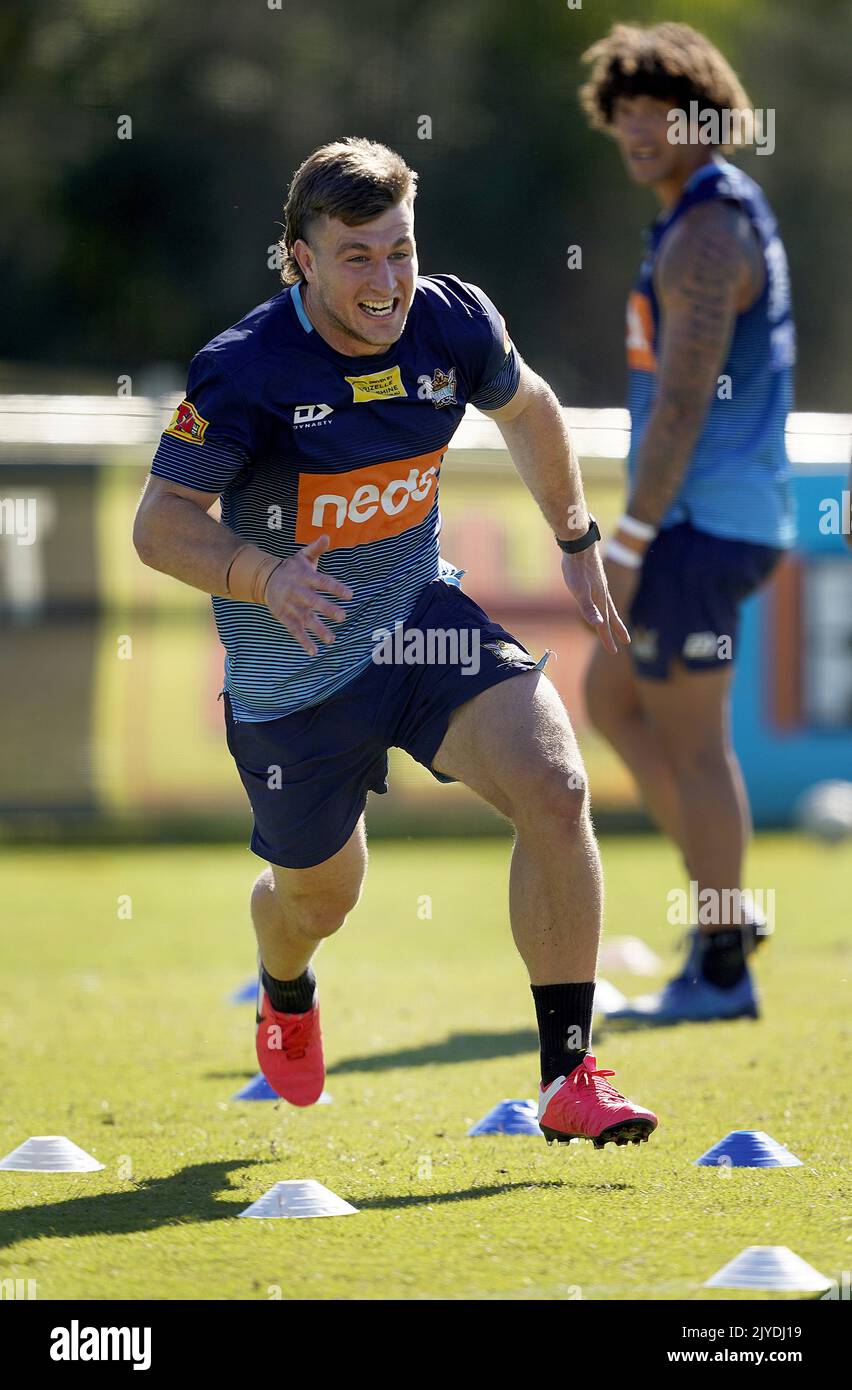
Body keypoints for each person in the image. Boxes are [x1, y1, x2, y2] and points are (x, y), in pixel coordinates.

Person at [133, 137, 657, 1147]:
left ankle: (570, 1074)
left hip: (419, 622)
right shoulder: (247, 370)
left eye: (401, 250)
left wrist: (577, 536)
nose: (388, 282)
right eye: (358, 257)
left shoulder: (454, 321)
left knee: (558, 787)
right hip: (293, 679)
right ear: (300, 258)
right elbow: (160, 525)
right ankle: (284, 985)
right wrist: (266, 575)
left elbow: (533, 411)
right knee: (321, 902)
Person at [579, 24, 796, 1024]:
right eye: (621, 107)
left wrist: (624, 544)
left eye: (658, 105)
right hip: (705, 520)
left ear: (704, 112)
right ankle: (728, 917)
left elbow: (681, 408)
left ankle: (719, 968)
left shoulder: (709, 230)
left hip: (698, 526)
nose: (636, 124)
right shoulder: (696, 216)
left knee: (697, 746)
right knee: (610, 696)